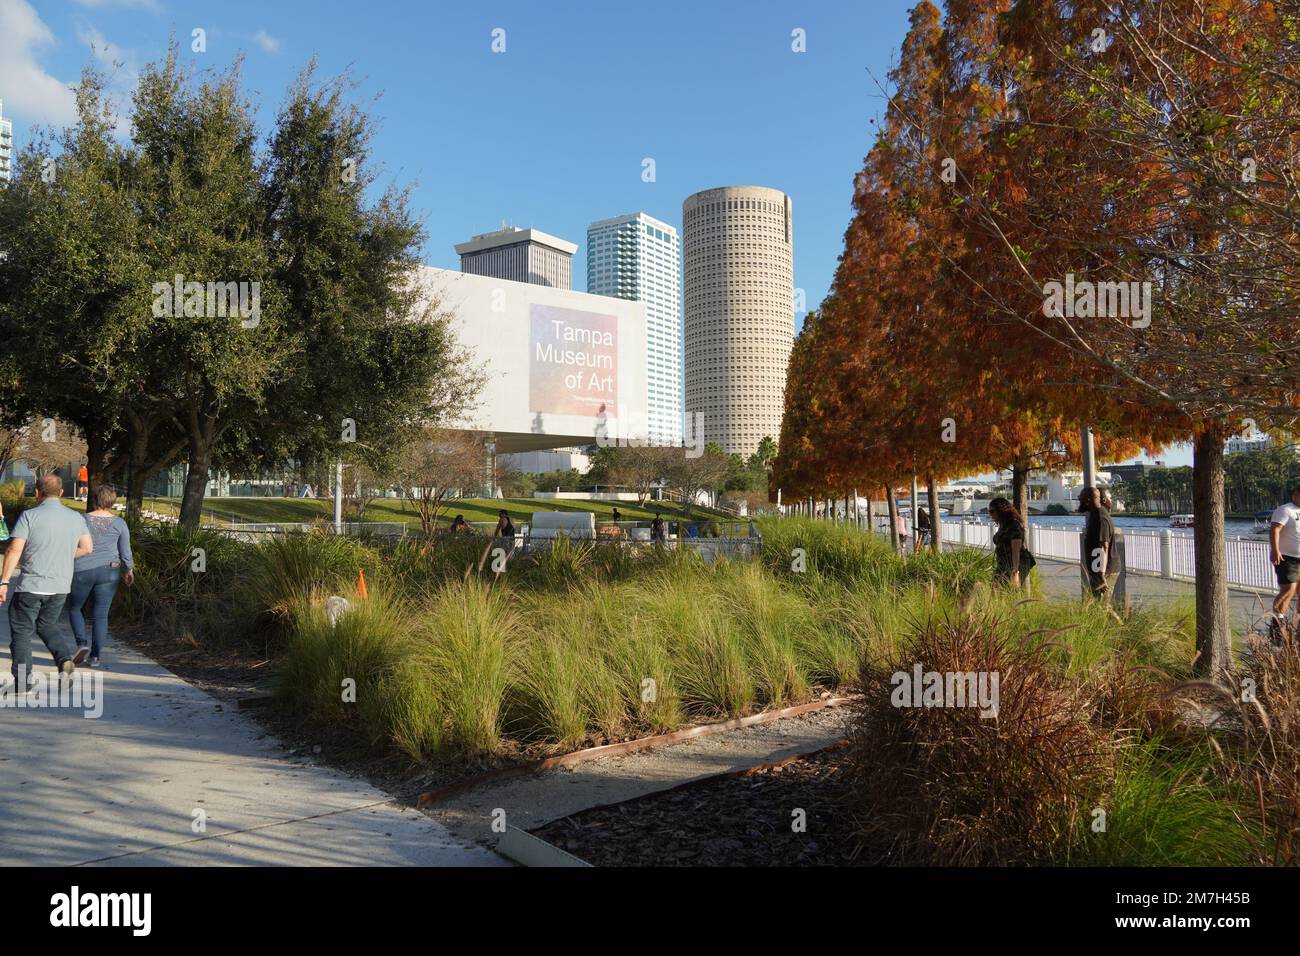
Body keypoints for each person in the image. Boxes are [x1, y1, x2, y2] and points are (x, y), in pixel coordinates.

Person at [0, 474, 94, 690]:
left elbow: (14, 549)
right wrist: (63, 554)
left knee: (22, 631)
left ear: (37, 493)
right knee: (46, 625)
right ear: (61, 493)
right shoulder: (76, 517)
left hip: (31, 586)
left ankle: (23, 681)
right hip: (60, 586)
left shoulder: (29, 516)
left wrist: (4, 582)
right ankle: (64, 660)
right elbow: (88, 548)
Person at [68, 485, 134, 668]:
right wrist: (128, 570)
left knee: (75, 608)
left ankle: (82, 643)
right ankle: (95, 657)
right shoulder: (120, 523)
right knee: (101, 614)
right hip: (109, 571)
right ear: (112, 501)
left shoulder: (81, 520)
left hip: (82, 570)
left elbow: (70, 544)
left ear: (94, 499)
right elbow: (125, 551)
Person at [1268, 485, 1300, 645]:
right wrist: (1275, 550)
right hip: (1287, 557)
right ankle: (1277, 624)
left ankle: (1297, 628)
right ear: (1295, 494)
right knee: (1289, 588)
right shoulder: (1285, 510)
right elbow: (1275, 530)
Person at [989, 497, 1034, 589]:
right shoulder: (1003, 525)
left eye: (992, 511)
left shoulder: (1014, 526)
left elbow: (1016, 551)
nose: (990, 514)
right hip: (1003, 564)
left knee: (1008, 590)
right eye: (989, 511)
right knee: (995, 588)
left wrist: (1015, 572)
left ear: (1001, 511)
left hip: (1014, 564)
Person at [1079, 486, 1115, 601]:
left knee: (1101, 604)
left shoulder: (1100, 518)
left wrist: (1101, 574)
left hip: (1103, 571)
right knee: (1098, 603)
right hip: (1098, 570)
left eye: (1081, 499)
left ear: (1088, 500)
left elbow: (1104, 546)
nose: (1080, 502)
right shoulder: (1095, 514)